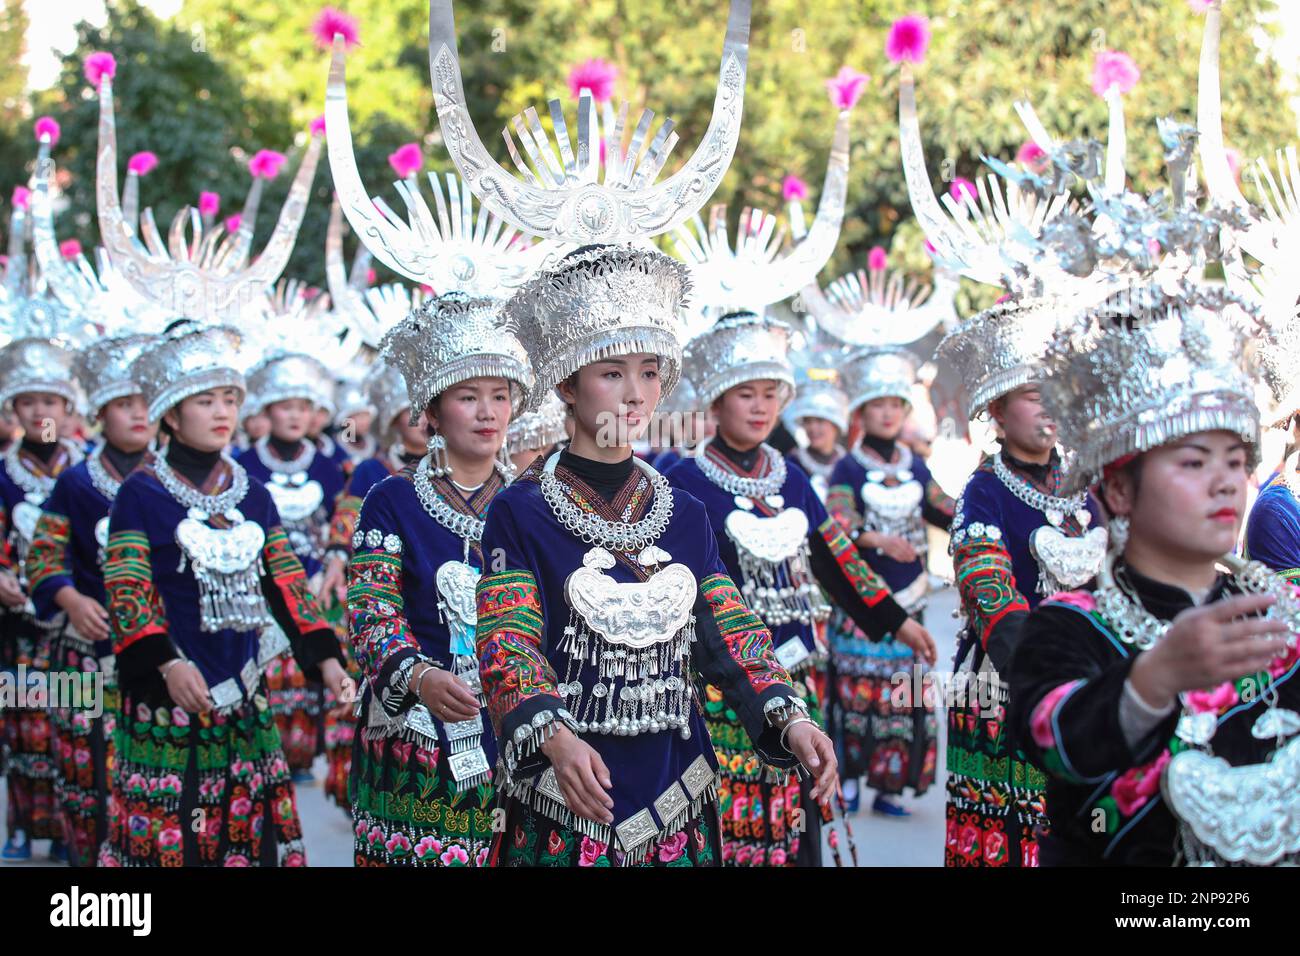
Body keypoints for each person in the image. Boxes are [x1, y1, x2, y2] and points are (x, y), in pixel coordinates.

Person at [477, 245, 839, 867]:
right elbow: (507, 642)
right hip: (566, 787)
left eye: (649, 372)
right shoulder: (521, 509)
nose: (635, 394)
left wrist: (788, 716)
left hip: (678, 783)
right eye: (612, 373)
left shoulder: (684, 512)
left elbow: (728, 628)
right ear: (567, 382)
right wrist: (553, 734)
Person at [1008, 284, 1298, 866]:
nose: (1225, 482)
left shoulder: (1280, 613)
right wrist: (1154, 677)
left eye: (1236, 462)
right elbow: (1054, 740)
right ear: (1119, 489)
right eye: (1193, 461)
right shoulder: (1066, 627)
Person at [666, 312, 937, 866]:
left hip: (797, 674)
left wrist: (896, 620)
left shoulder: (790, 476)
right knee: (736, 814)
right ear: (716, 402)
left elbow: (836, 556)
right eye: (746, 394)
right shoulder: (686, 482)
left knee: (798, 815)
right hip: (725, 687)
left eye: (771, 393)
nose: (761, 407)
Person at [99, 324, 353, 866]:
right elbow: (127, 591)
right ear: (170, 413)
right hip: (168, 698)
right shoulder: (140, 493)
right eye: (205, 400)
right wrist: (165, 664)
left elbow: (285, 581)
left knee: (248, 841)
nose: (222, 411)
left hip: (244, 697)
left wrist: (325, 658)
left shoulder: (252, 494)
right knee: (172, 838)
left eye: (230, 399)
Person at [346, 292, 531, 866]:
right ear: (432, 409)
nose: (487, 413)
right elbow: (372, 608)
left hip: (521, 733)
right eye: (468, 396)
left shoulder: (533, 505)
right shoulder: (393, 499)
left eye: (500, 396)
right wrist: (418, 674)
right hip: (418, 733)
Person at [934, 301, 1105, 867]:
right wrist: (1047, 673)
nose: (1050, 406)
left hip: (1091, 681)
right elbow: (988, 587)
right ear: (998, 410)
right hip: (1005, 689)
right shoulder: (984, 491)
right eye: (1034, 394)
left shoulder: (1087, 483)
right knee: (1012, 840)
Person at [24, 335, 156, 866]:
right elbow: (43, 559)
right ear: (100, 413)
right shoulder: (75, 483)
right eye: (125, 406)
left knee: (153, 776)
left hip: (156, 652)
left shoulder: (172, 485)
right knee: (88, 771)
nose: (138, 415)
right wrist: (71, 599)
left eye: (146, 403)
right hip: (85, 651)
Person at [826, 346, 953, 817]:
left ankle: (890, 785)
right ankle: (852, 779)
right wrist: (874, 539)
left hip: (912, 599)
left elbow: (944, 509)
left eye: (895, 405)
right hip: (861, 600)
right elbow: (836, 524)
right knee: (856, 695)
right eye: (877, 405)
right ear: (861, 411)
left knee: (902, 695)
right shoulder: (848, 467)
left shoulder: (915, 465)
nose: (887, 413)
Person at [238, 353, 348, 783]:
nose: (295, 415)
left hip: (318, 582)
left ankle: (303, 756)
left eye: (304, 407)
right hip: (263, 583)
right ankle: (272, 751)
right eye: (286, 407)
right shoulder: (242, 464)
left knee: (314, 662)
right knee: (273, 668)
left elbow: (341, 517)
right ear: (266, 411)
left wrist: (333, 563)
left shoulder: (328, 463)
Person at [0, 338, 85, 862]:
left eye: (50, 401)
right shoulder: (1, 473)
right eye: (29, 400)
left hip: (79, 626)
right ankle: (25, 825)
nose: (40, 411)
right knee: (24, 730)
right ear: (13, 409)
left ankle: (73, 830)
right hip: (20, 627)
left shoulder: (89, 472)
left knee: (76, 724)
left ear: (68, 410)